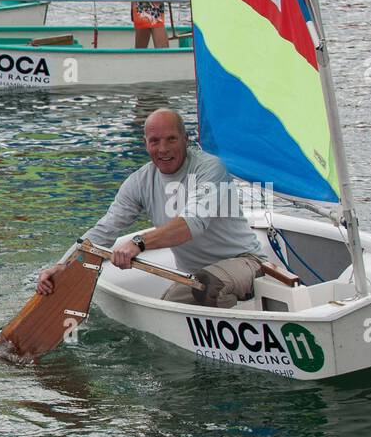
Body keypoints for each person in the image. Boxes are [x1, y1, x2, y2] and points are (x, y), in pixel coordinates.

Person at [37, 108, 264, 308]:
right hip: (192, 276)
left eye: (171, 139)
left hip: (246, 261)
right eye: (155, 141)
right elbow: (104, 231)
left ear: (186, 139)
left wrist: (139, 243)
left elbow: (191, 225)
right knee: (180, 299)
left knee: (203, 287)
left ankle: (244, 310)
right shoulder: (139, 181)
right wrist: (62, 266)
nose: (163, 149)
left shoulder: (211, 169)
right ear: (145, 143)